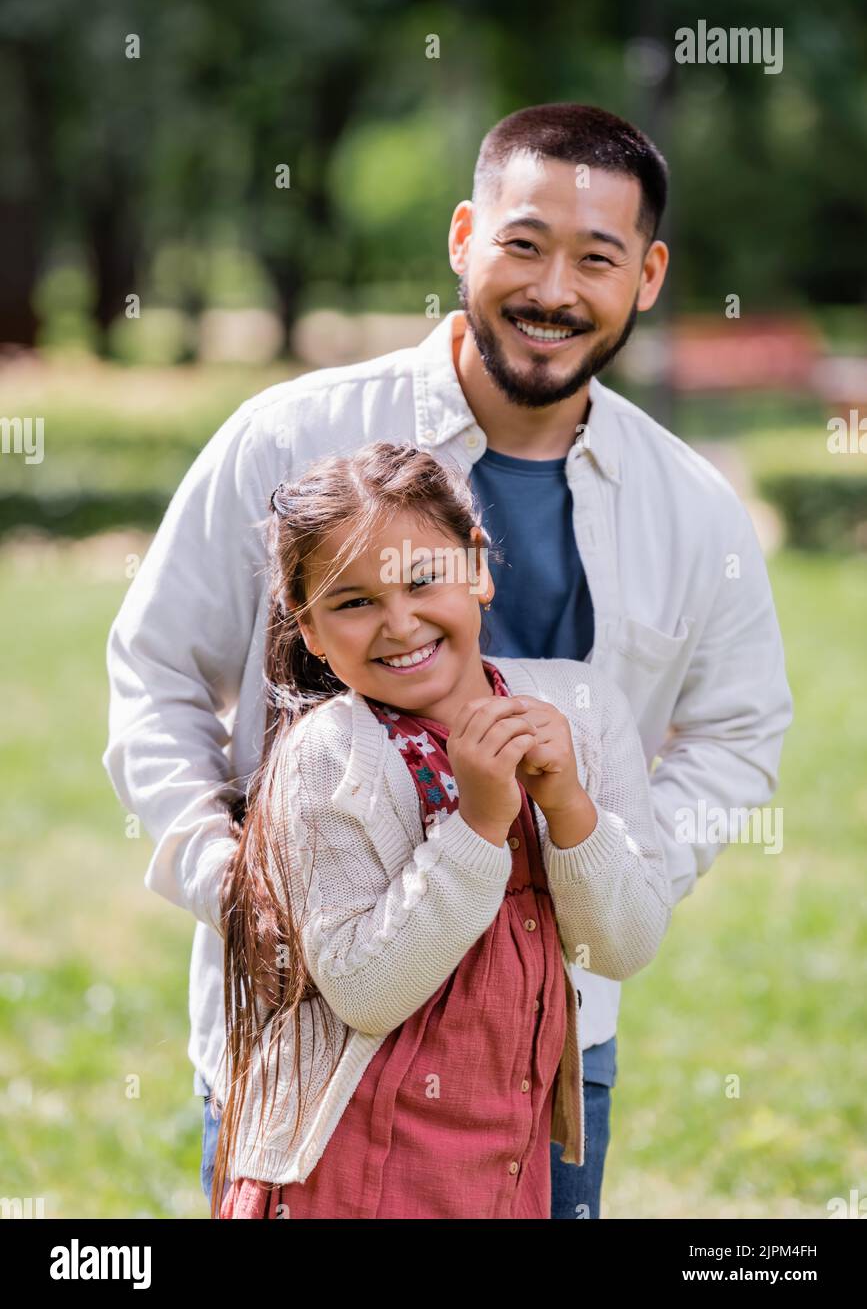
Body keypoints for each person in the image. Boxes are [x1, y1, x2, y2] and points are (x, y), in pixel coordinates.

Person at [102, 103, 793, 1219]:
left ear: (650, 274)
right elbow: (155, 673)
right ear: (464, 236)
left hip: (548, 1051)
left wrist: (632, 869)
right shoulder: (288, 437)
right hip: (311, 1037)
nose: (552, 290)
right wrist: (231, 881)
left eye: (596, 257)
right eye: (523, 244)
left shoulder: (691, 506)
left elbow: (739, 725)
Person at [210, 441, 670, 1219]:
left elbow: (621, 945)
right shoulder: (326, 758)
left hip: (503, 1156)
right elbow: (365, 988)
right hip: (356, 1164)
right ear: (311, 630)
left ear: (479, 569)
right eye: (352, 602)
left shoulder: (580, 711)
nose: (398, 622)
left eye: (424, 581)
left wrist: (566, 806)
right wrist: (481, 824)